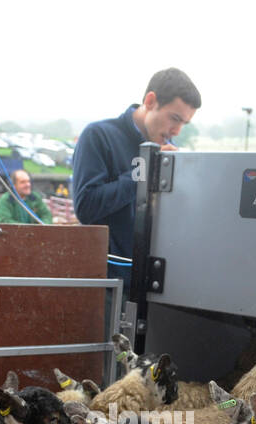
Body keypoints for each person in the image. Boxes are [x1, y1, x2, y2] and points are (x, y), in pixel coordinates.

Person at [71, 68, 200, 290]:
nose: (177, 131)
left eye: (183, 123)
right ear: (150, 101)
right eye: (174, 118)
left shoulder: (167, 152)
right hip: (107, 283)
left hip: (154, 283)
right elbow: (86, 207)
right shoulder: (98, 135)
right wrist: (145, 171)